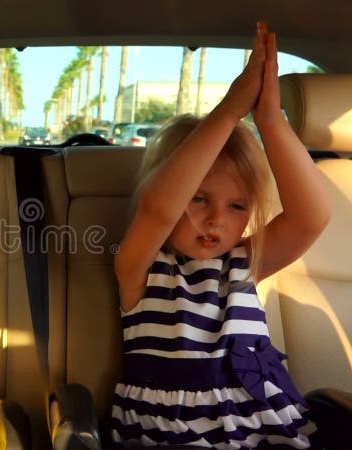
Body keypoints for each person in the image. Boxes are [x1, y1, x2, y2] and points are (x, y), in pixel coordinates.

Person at [111, 22, 330, 449]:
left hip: (256, 431)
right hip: (171, 434)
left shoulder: (244, 263)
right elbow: (158, 210)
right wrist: (229, 111)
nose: (216, 220)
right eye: (198, 199)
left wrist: (270, 120)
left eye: (237, 206)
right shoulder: (140, 267)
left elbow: (311, 217)